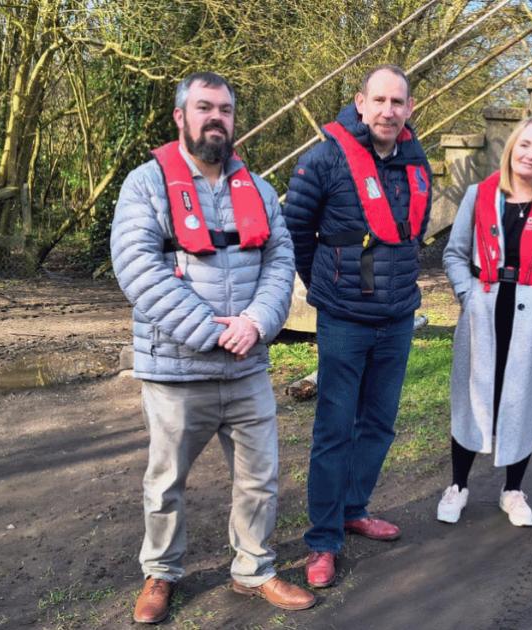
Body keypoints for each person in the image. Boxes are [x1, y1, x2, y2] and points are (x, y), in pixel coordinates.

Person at [111, 71, 313, 624]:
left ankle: (254, 569)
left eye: (224, 109)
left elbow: (280, 264)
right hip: (177, 370)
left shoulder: (261, 191)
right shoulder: (146, 185)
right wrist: (210, 330)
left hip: (247, 367)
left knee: (259, 478)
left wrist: (256, 323)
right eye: (204, 107)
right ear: (180, 116)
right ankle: (161, 572)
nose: (216, 117)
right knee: (166, 481)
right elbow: (137, 267)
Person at [284, 64, 433, 589]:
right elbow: (296, 230)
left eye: (399, 102)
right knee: (332, 430)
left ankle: (353, 508)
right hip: (344, 319)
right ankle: (323, 540)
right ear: (360, 102)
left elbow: (414, 236)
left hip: (397, 319)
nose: (389, 111)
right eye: (380, 101)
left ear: (409, 109)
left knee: (379, 423)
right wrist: (326, 285)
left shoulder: (418, 164)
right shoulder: (326, 158)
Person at [438, 117, 532, 526]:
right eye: (525, 145)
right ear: (511, 149)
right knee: (471, 397)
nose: (531, 154)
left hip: (530, 315)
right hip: (483, 309)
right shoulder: (479, 195)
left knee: (521, 400)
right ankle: (458, 486)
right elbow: (454, 253)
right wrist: (466, 294)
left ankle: (513, 490)